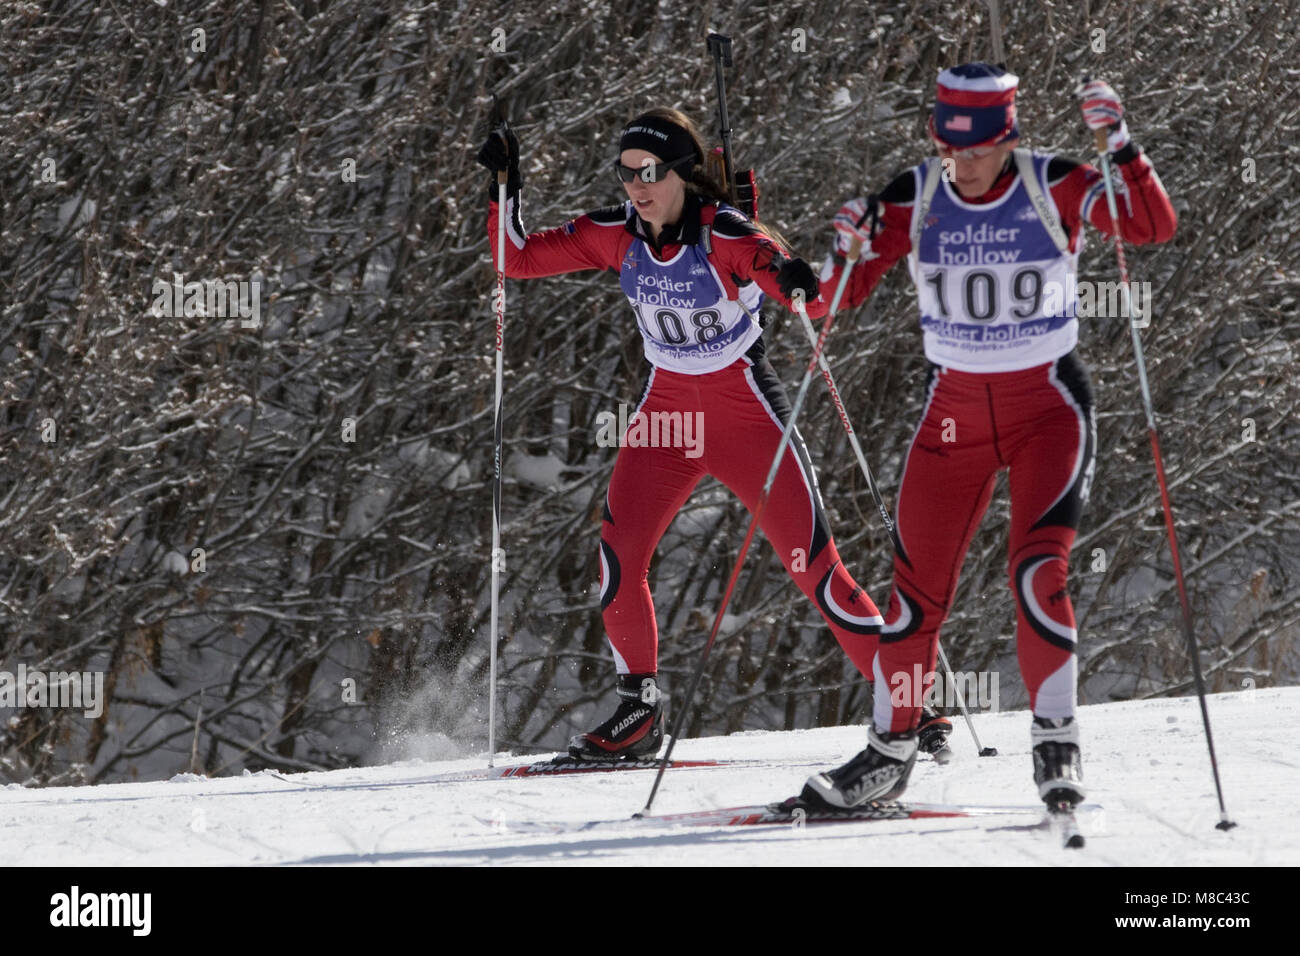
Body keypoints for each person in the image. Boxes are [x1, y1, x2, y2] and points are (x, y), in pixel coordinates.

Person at [476, 108, 949, 760]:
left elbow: (799, 290)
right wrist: (505, 188)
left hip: (745, 419)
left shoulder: (723, 232)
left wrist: (797, 271)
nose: (637, 186)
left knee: (814, 566)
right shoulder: (616, 233)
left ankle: (908, 704)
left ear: (680, 173)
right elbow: (516, 259)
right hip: (666, 419)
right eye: (626, 173)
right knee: (618, 556)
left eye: (651, 172)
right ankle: (638, 711)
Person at [800, 65, 1177, 810]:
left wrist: (1122, 144)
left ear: (1007, 137)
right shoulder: (913, 195)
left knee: (1039, 574)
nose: (962, 163)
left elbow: (1151, 227)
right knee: (912, 599)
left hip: (1048, 409)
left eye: (976, 149)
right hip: (954, 417)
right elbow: (826, 308)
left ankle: (1056, 741)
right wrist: (839, 254)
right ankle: (888, 752)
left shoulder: (1055, 183)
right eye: (948, 147)